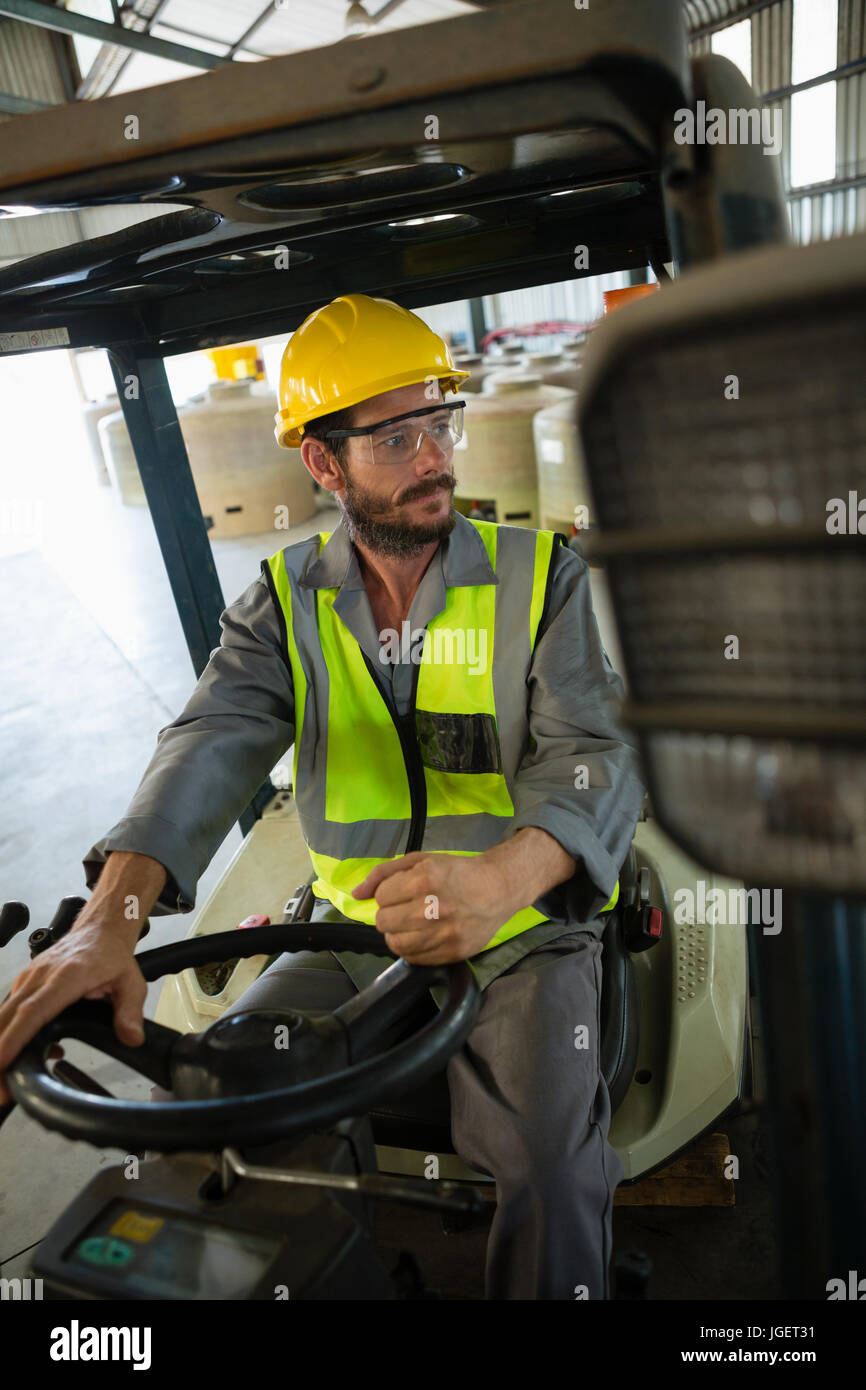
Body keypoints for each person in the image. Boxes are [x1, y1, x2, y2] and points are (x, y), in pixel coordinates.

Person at [0, 293, 645, 1299]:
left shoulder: (537, 576)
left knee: (549, 1161)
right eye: (395, 436)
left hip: (518, 923)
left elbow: (591, 756)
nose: (434, 456)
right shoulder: (279, 600)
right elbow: (207, 743)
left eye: (439, 422)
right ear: (321, 460)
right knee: (234, 1095)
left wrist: (500, 878)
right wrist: (106, 921)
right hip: (352, 932)